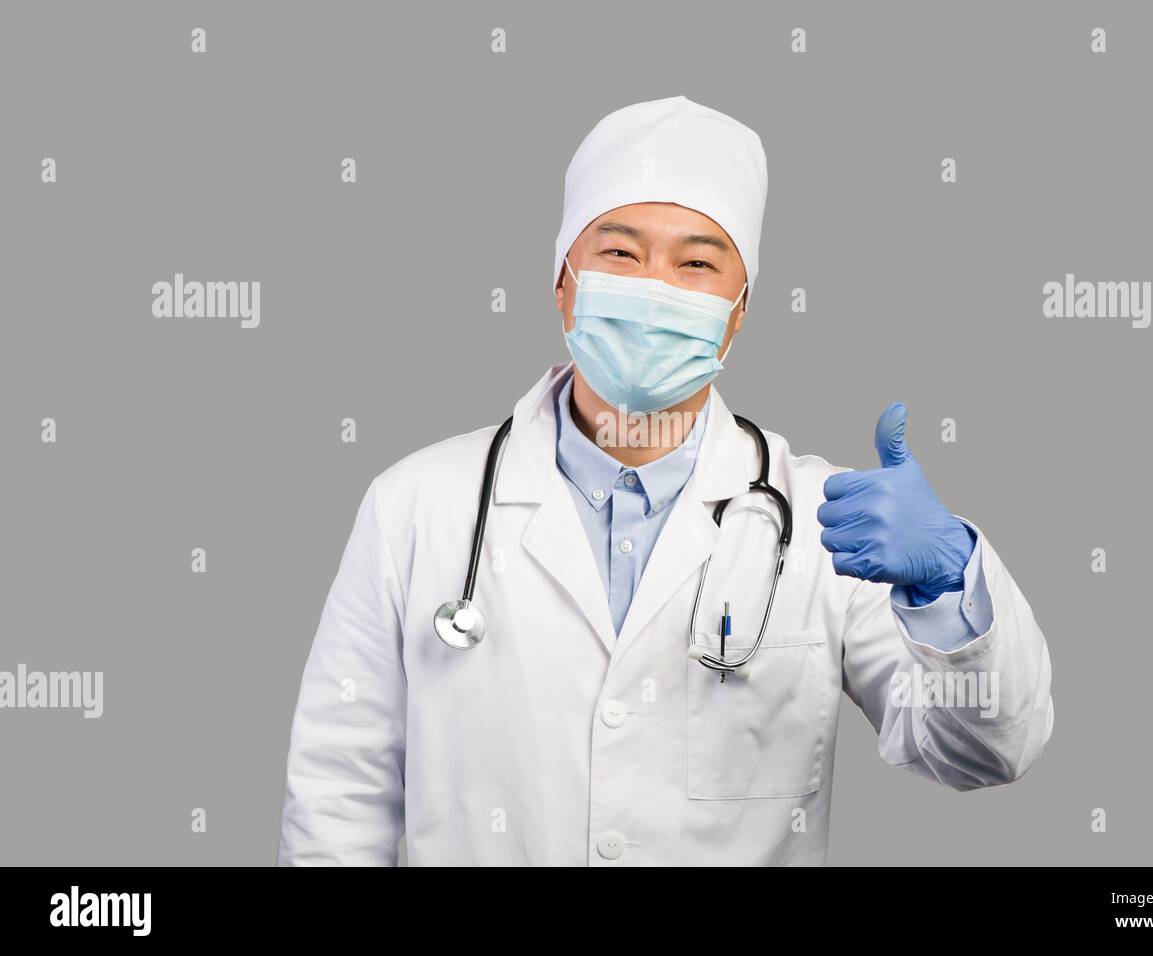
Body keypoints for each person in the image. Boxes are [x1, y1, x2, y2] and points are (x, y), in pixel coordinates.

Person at [276, 95, 1054, 866]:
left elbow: (984, 754)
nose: (656, 289)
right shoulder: (417, 506)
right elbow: (336, 803)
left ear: (738, 310)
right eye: (619, 254)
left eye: (696, 263)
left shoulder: (827, 522)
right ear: (562, 282)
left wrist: (949, 582)